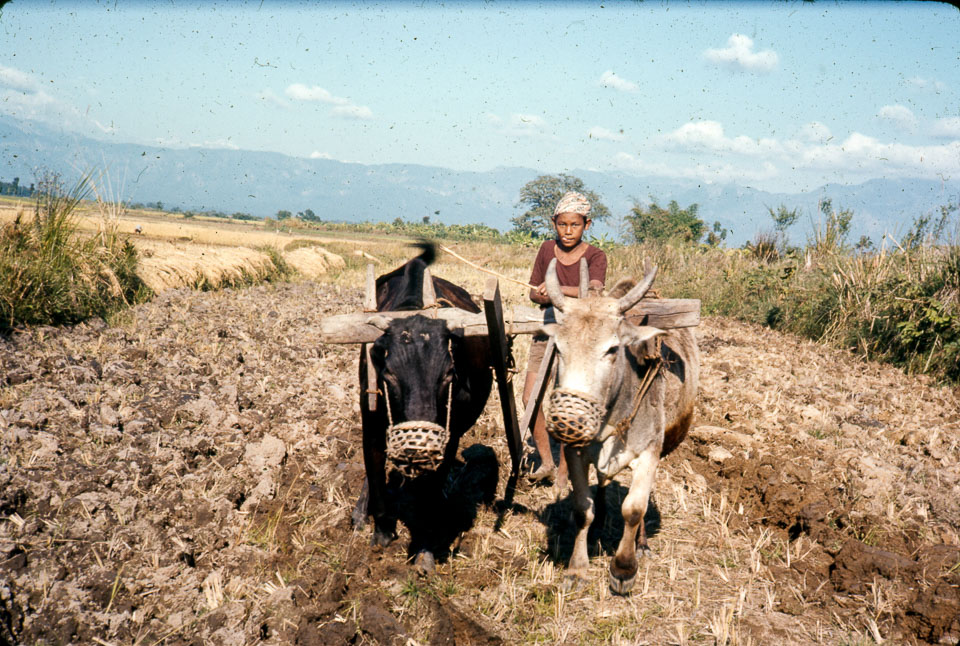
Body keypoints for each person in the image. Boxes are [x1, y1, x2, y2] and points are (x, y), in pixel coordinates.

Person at [522, 191, 607, 485]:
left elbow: (593, 292)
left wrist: (555, 289)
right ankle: (546, 460)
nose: (568, 231)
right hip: (546, 332)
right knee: (528, 398)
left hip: (578, 338)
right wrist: (544, 290)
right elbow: (534, 292)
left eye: (575, 225)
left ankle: (564, 473)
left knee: (569, 404)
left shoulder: (595, 256)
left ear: (587, 224)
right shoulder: (546, 249)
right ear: (553, 223)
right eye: (562, 225)